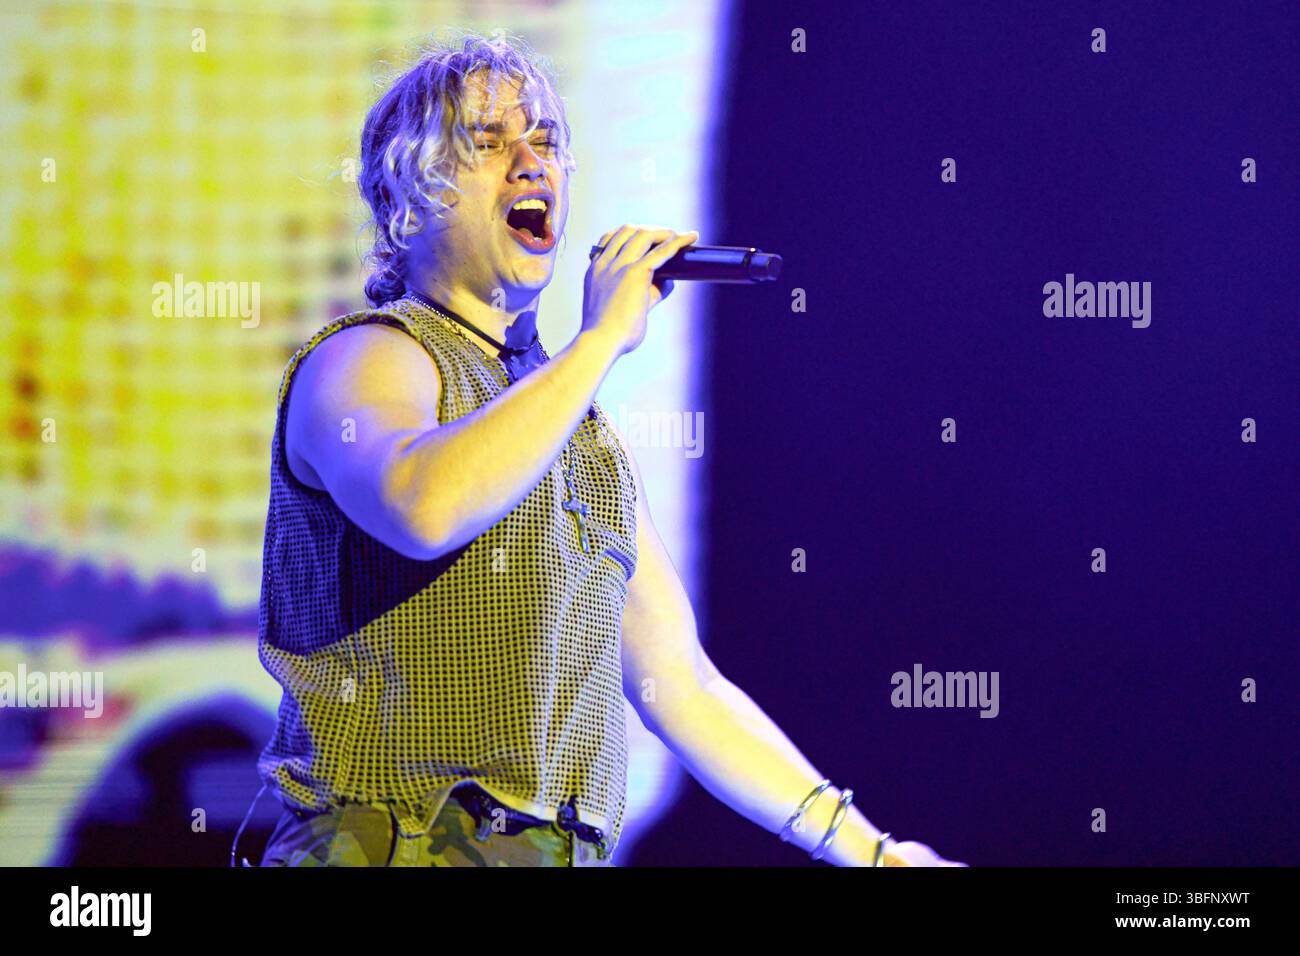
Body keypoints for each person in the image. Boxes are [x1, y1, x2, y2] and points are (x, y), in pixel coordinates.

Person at [251, 30, 963, 867]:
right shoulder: (371, 355)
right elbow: (423, 503)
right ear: (412, 194)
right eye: (489, 142)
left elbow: (684, 688)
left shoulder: (577, 434)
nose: (532, 163)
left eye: (546, 141)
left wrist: (873, 852)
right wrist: (599, 341)